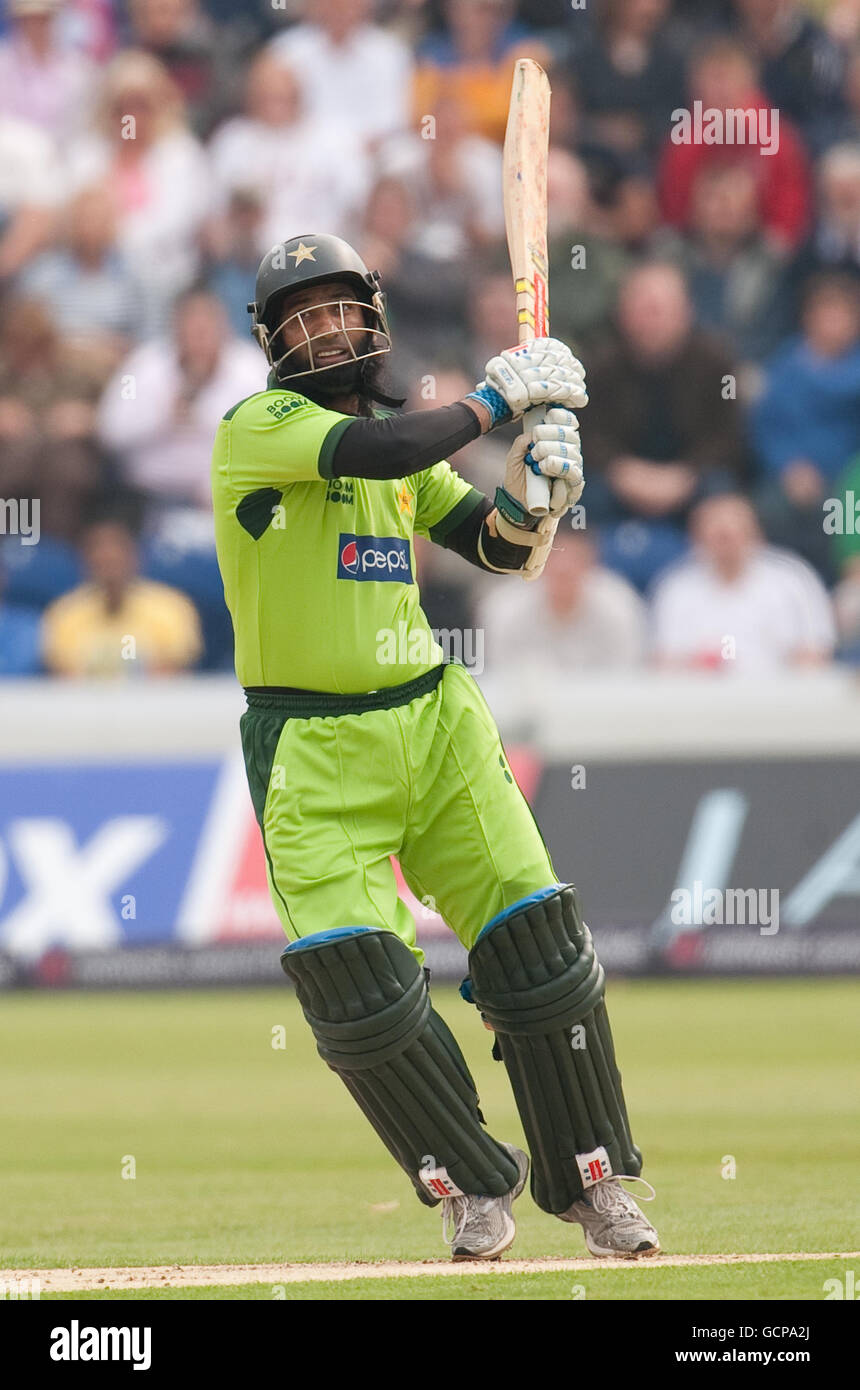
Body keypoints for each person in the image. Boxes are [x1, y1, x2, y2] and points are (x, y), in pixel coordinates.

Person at [211, 231, 661, 1261]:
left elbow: (493, 547)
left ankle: (593, 1186)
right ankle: (468, 1186)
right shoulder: (260, 427)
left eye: (341, 311)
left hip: (436, 724)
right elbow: (389, 450)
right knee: (358, 997)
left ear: (372, 316)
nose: (327, 331)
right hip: (311, 752)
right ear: (274, 343)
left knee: (540, 959)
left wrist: (538, 496)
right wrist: (496, 402)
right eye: (303, 318)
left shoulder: (399, 449)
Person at [650, 493, 836, 671]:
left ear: (755, 532)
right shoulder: (675, 587)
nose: (726, 540)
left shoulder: (793, 580)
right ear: (696, 536)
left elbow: (817, 651)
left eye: (735, 530)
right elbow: (665, 661)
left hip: (781, 695)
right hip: (698, 696)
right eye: (718, 534)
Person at [42, 514, 203, 677]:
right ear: (84, 561)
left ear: (134, 556)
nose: (109, 565)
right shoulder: (65, 612)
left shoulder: (171, 607)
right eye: (101, 559)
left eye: (115, 557)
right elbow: (62, 678)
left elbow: (176, 673)